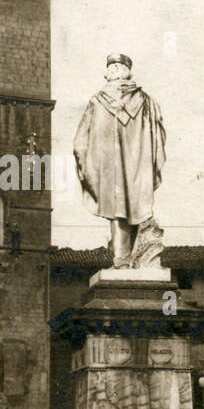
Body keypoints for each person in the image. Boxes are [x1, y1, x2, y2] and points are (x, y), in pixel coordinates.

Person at [73, 53, 167, 268]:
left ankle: (122, 261)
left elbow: (80, 141)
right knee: (136, 207)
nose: (113, 69)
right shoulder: (147, 101)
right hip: (139, 167)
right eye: (113, 66)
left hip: (110, 168)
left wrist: (85, 167)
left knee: (118, 210)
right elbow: (158, 133)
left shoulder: (97, 101)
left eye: (115, 66)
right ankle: (134, 260)